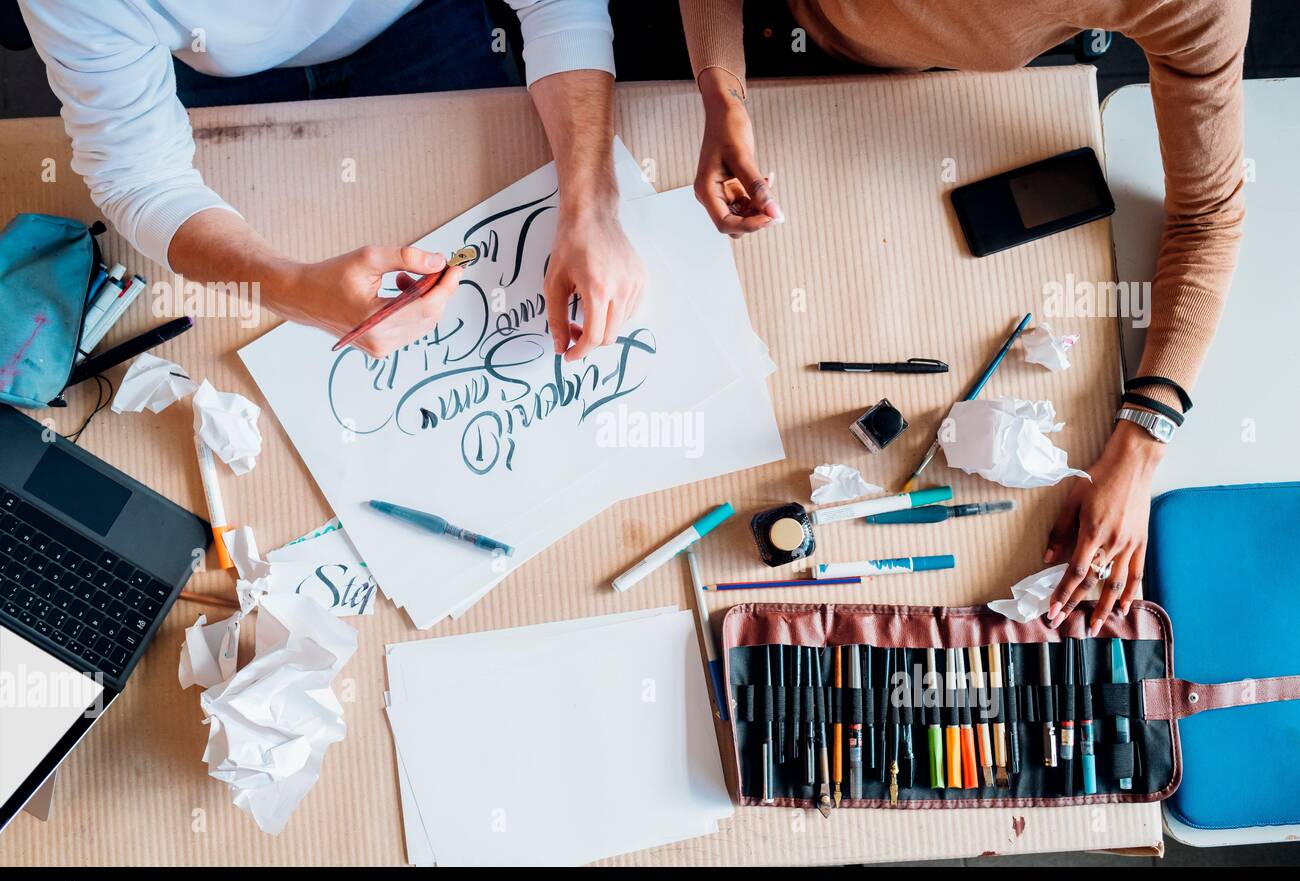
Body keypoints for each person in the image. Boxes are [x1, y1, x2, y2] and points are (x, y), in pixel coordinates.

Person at [678, 0, 1248, 636]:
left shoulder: (1200, 7)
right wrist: (722, 90)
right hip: (783, 43)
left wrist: (1141, 444)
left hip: (969, 89)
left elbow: (1211, 215)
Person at [19, 0, 644, 361]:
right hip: (219, 72)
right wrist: (289, 286)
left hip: (420, 20)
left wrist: (592, 205)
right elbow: (137, 174)